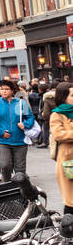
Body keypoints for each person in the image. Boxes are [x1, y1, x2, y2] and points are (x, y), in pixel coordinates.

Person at [0, 79, 36, 182]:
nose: (4, 91)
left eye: (6, 89)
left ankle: (21, 190)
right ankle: (7, 184)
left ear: (12, 91)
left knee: (20, 169)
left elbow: (30, 117)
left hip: (20, 140)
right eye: (1, 89)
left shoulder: (21, 103)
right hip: (2, 140)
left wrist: (25, 125)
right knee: (5, 165)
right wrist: (0, 131)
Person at [46, 81, 73, 217]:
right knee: (71, 200)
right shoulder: (57, 115)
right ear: (63, 97)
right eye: (72, 96)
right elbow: (59, 135)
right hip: (69, 160)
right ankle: (68, 231)